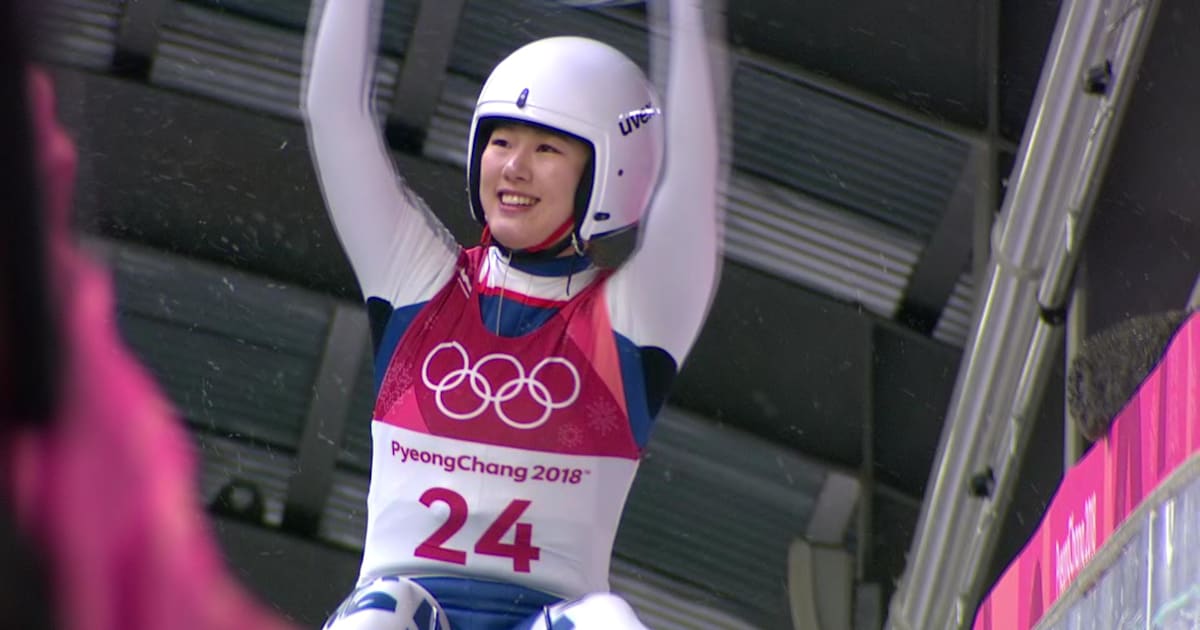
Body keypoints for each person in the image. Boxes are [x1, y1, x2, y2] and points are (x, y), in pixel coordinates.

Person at [303, 0, 722, 627]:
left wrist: (688, 14)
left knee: (607, 620)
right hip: (413, 617)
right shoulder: (418, 281)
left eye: (547, 148)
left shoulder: (633, 324)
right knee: (382, 613)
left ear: (610, 173)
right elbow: (334, 116)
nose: (513, 167)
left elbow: (692, 181)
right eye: (500, 140)